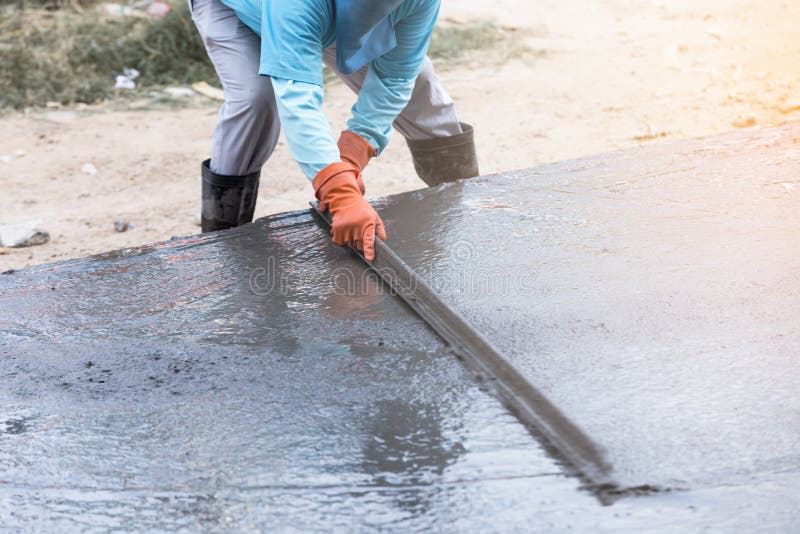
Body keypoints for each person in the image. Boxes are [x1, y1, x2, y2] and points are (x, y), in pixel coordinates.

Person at [189, 0, 479, 260]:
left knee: (419, 81)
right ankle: (222, 243)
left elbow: (396, 77)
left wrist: (354, 153)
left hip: (329, 13)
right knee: (256, 99)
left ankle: (467, 210)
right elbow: (297, 97)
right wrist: (339, 190)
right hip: (235, 8)